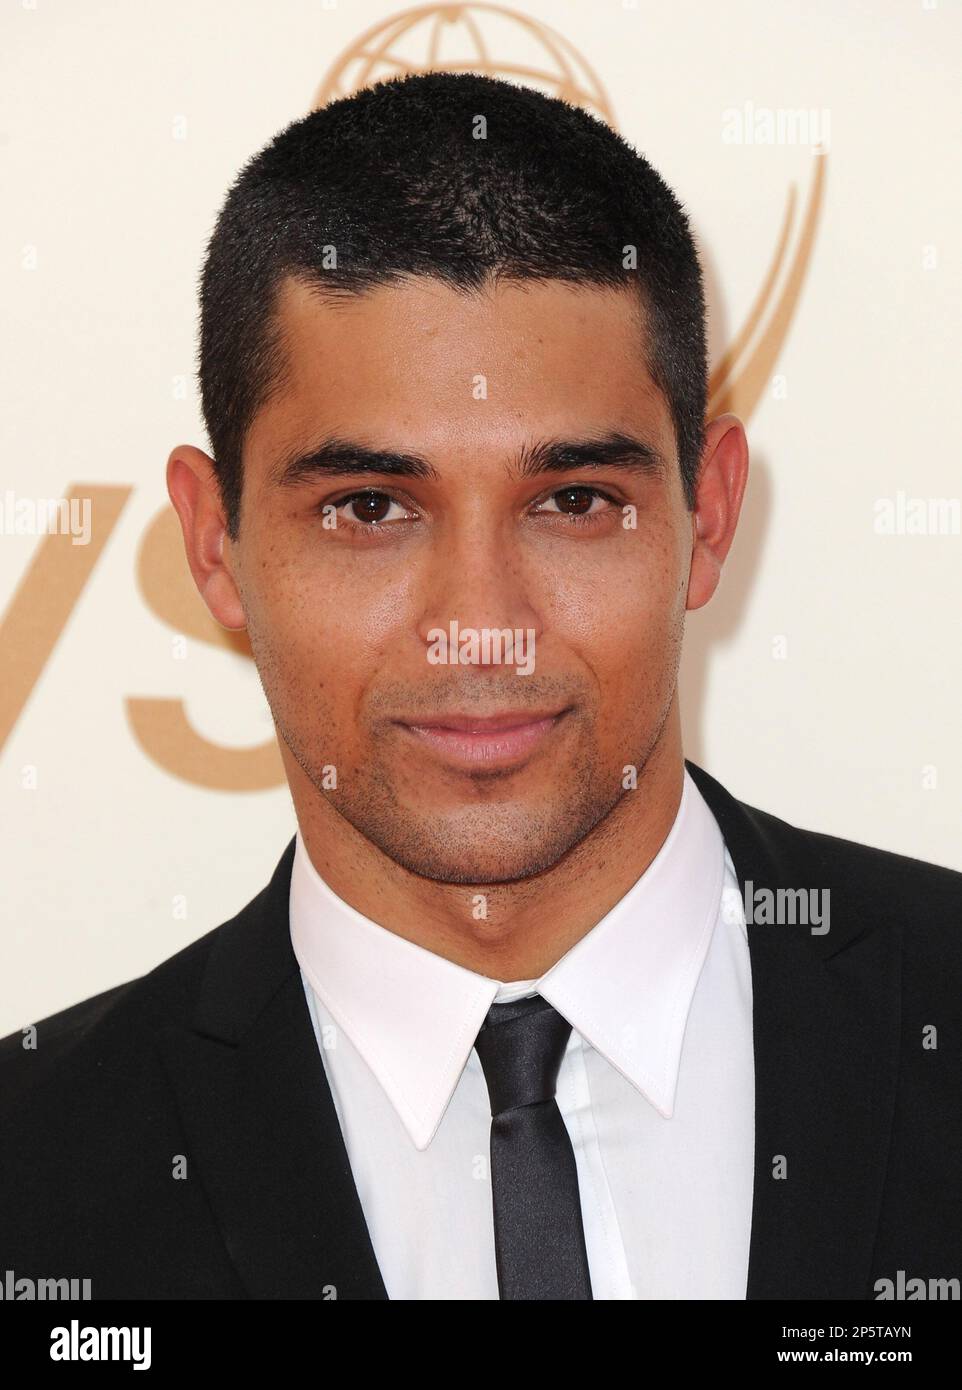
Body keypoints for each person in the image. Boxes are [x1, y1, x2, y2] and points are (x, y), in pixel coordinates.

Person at [1, 71, 959, 1302]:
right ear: (213, 545)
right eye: (367, 508)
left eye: (571, 502)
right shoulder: (34, 1174)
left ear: (705, 515)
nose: (478, 629)